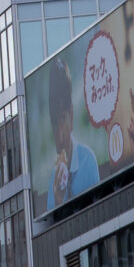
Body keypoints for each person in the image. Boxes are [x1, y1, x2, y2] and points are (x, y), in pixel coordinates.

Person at [44, 60, 99, 211]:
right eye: (55, 124)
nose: (60, 136)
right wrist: (58, 199)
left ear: (71, 116)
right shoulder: (53, 180)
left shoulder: (88, 160)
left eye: (62, 119)